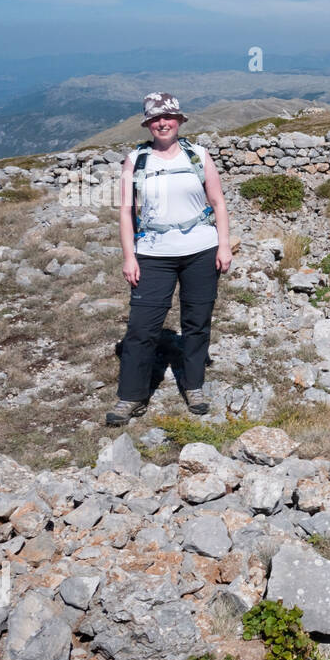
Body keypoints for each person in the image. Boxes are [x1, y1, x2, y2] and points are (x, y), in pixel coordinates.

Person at [107, 91, 233, 426]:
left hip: (201, 250)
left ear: (178, 120)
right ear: (148, 124)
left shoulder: (198, 155)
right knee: (141, 327)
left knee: (196, 320)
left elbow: (218, 202)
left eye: (169, 117)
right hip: (153, 253)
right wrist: (129, 257)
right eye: (156, 119)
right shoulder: (136, 160)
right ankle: (130, 396)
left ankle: (193, 386)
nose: (163, 123)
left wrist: (224, 245)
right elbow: (125, 211)